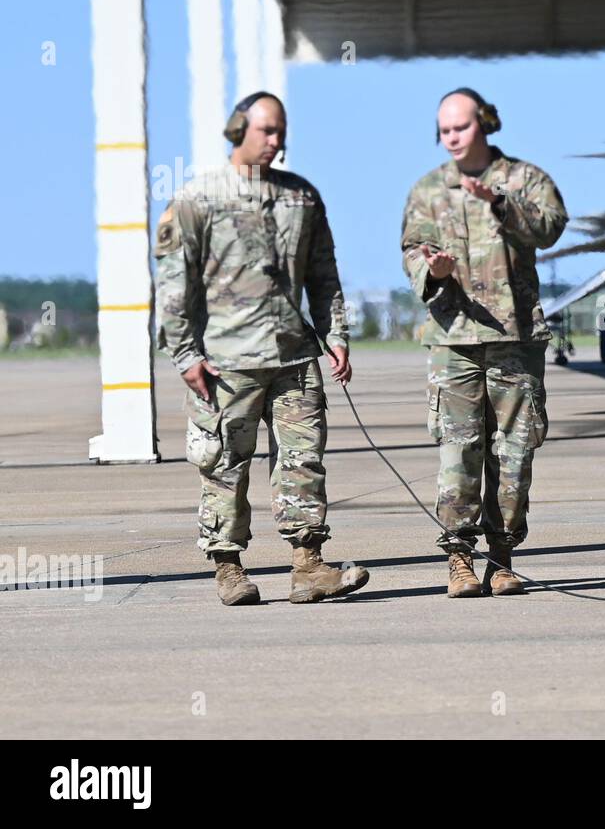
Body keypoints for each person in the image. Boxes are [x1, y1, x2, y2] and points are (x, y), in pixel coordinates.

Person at [154, 91, 369, 606]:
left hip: (294, 359)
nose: (275, 142)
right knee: (224, 466)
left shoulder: (301, 197)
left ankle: (309, 566)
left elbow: (323, 275)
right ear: (237, 131)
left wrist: (335, 335)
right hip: (226, 362)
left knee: (303, 463)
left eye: (280, 131)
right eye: (265, 131)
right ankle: (229, 569)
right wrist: (186, 356)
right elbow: (173, 284)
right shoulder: (197, 200)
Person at [399, 88, 567, 597]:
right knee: (459, 450)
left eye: (461, 127)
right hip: (453, 339)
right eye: (444, 129)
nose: (451, 137)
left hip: (514, 337)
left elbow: (550, 228)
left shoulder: (525, 178)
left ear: (486, 124)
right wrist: (433, 271)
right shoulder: (428, 190)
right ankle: (459, 559)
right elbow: (411, 249)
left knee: (514, 452)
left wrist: (499, 202)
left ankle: (503, 557)